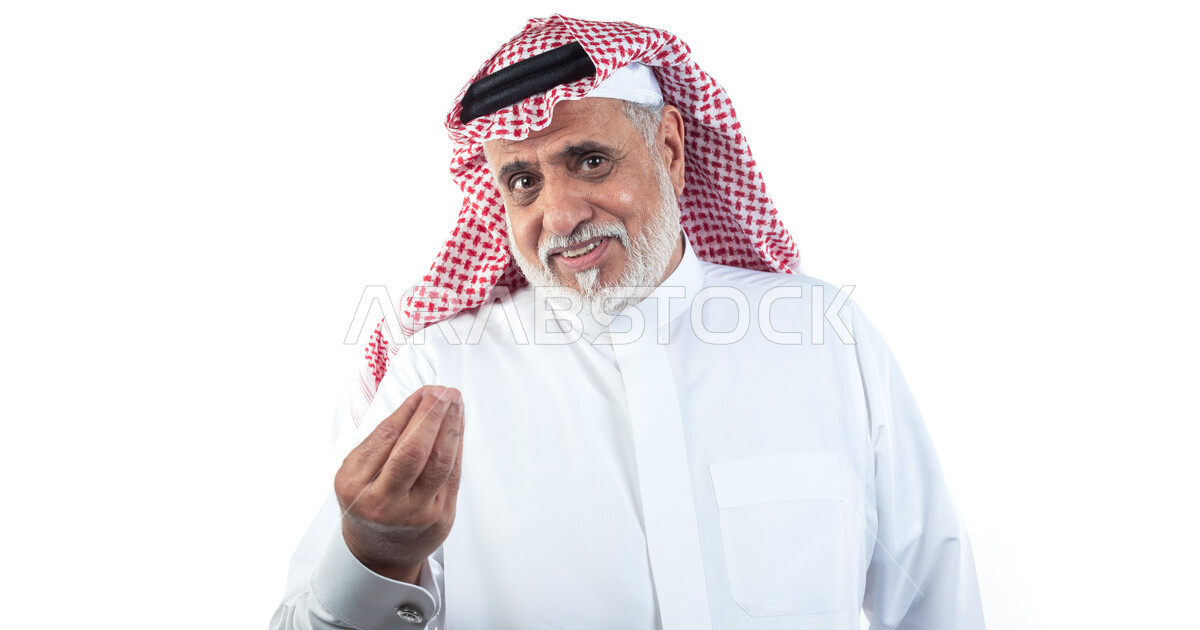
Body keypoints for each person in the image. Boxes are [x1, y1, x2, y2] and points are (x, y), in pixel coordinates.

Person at [272, 14, 985, 630]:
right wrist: (375, 558)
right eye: (523, 181)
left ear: (669, 151)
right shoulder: (438, 373)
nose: (559, 216)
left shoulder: (828, 336)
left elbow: (936, 599)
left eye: (589, 160)